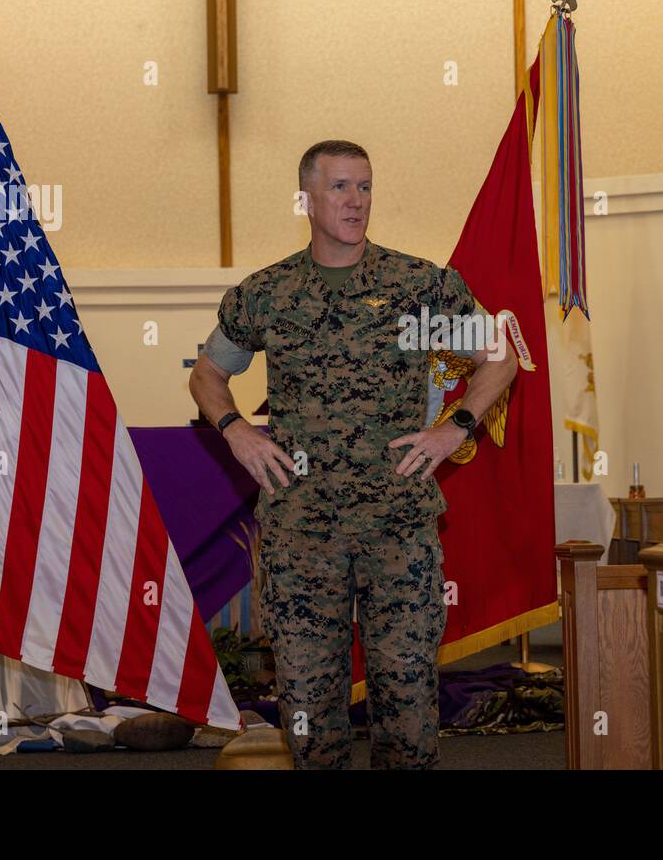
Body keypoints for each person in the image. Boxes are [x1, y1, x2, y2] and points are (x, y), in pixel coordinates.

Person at [188, 139, 518, 768]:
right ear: (306, 198)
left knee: (409, 704)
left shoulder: (419, 286)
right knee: (310, 710)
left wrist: (457, 429)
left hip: (399, 527)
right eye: (340, 187)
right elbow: (207, 375)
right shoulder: (267, 293)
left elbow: (498, 357)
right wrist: (234, 428)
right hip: (301, 532)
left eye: (365, 187)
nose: (356, 201)